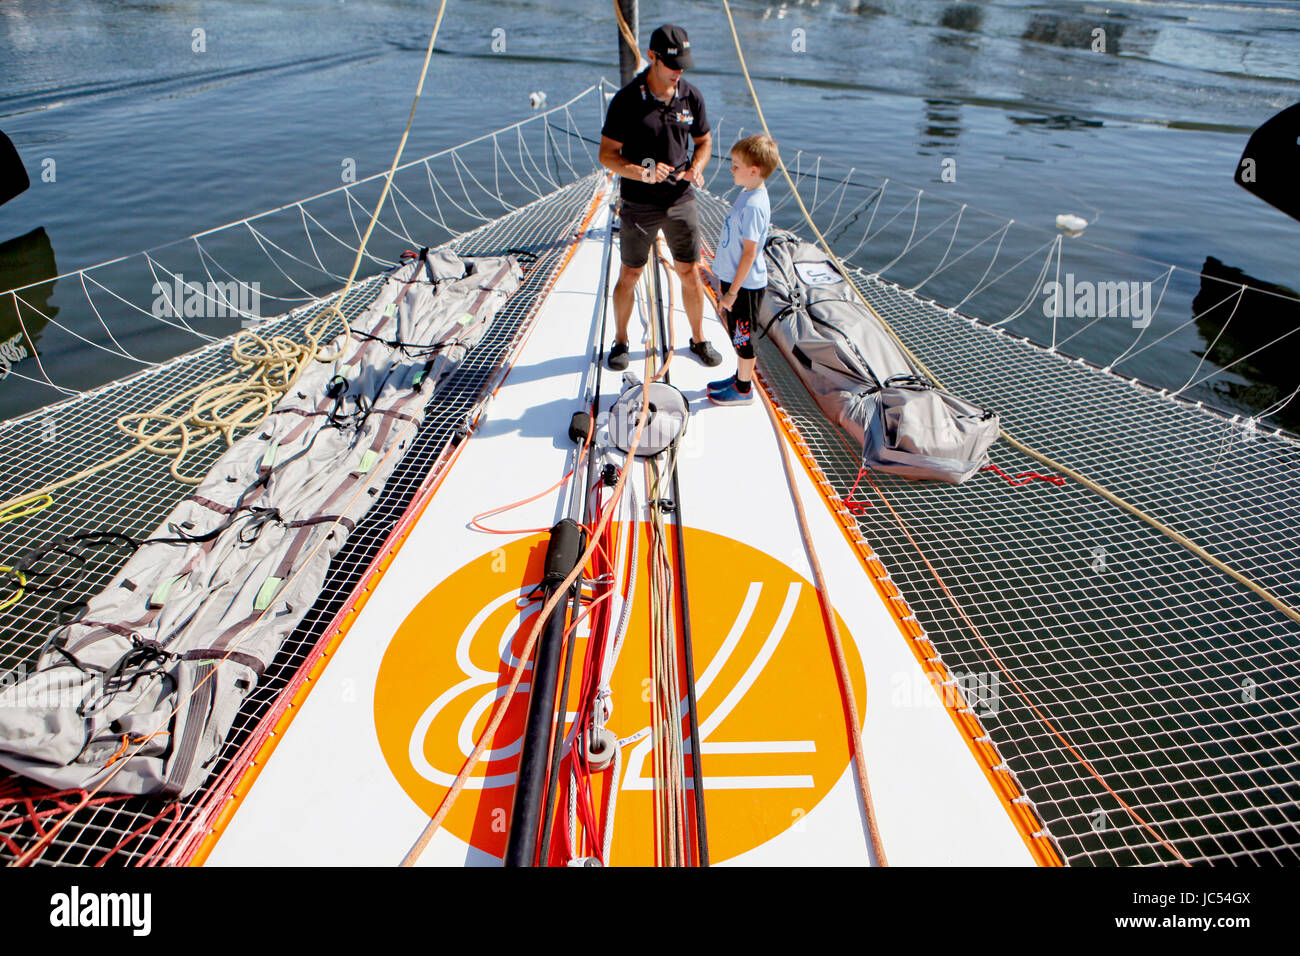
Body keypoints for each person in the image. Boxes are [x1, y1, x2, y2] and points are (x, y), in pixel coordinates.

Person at [598, 24, 721, 371]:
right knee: (630, 275)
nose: (678, 71)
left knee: (689, 272)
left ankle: (698, 339)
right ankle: (620, 341)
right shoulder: (626, 100)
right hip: (639, 202)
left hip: (682, 198)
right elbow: (607, 154)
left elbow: (705, 141)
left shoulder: (691, 96)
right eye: (671, 64)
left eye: (682, 64)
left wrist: (697, 166)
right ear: (651, 57)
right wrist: (641, 172)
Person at [707, 134, 779, 406]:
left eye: (735, 165)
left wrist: (732, 292)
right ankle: (739, 377)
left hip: (745, 287)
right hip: (735, 281)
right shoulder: (747, 192)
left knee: (743, 336)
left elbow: (749, 253)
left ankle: (744, 389)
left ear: (754, 171)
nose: (731, 169)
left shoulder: (754, 206)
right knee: (737, 331)